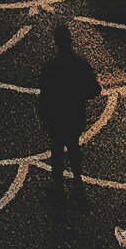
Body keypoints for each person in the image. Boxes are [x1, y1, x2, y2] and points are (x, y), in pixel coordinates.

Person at [38, 20, 100, 213]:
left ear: (56, 43)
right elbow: (95, 89)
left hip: (56, 117)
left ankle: (57, 186)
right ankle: (77, 181)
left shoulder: (50, 67)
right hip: (74, 116)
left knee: (56, 151)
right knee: (73, 147)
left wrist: (44, 116)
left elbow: (44, 95)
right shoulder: (80, 65)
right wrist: (79, 95)